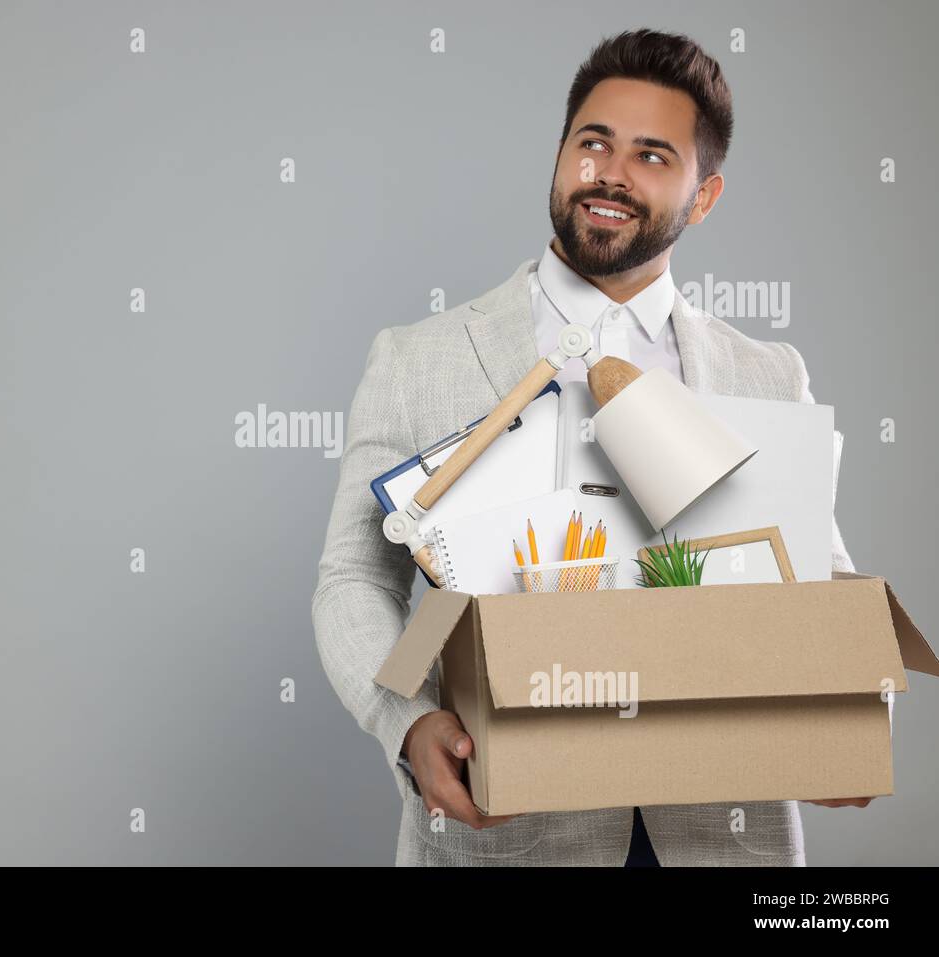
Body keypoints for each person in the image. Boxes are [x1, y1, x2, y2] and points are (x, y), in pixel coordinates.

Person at [311, 28, 874, 868]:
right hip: (512, 833)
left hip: (724, 833)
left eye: (652, 155)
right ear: (560, 155)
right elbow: (354, 577)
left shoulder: (767, 374)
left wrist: (854, 718)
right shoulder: (416, 359)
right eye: (594, 143)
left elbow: (818, 579)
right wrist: (406, 724)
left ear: (705, 194)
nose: (611, 173)